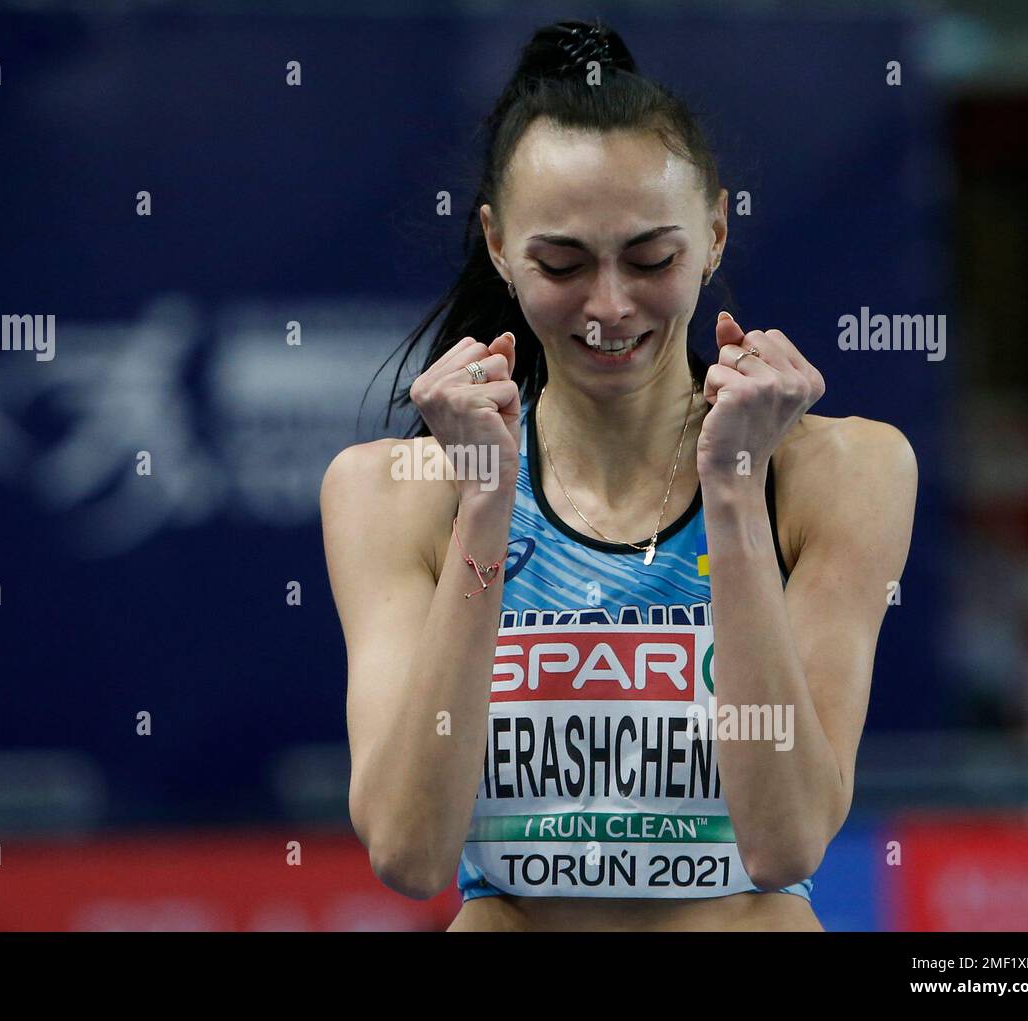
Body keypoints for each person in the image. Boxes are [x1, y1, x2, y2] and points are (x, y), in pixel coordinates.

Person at [320, 18, 917, 931]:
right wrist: (487, 507)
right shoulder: (397, 490)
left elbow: (786, 841)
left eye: (652, 258)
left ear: (716, 230)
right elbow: (410, 852)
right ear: (496, 245)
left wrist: (732, 493)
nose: (608, 305)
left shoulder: (839, 471)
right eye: (562, 263)